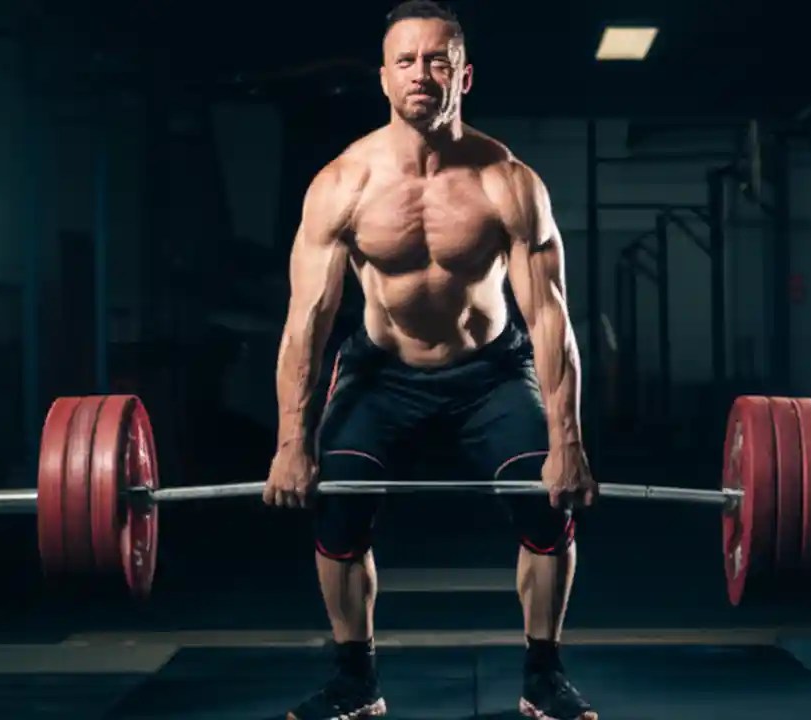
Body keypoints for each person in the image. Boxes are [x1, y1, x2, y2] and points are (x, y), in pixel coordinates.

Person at [264, 2, 599, 718]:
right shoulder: (342, 184)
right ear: (384, 79)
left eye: (437, 59)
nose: (422, 73)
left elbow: (550, 318)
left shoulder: (507, 182)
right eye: (407, 61)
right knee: (337, 509)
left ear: (464, 75)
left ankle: (545, 675)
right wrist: (293, 443)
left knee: (546, 508)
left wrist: (567, 444)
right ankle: (356, 679)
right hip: (381, 373)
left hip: (492, 374)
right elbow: (308, 323)